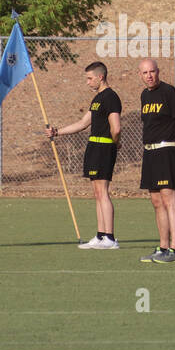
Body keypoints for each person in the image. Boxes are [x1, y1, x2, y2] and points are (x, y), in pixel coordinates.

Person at [45, 62, 123, 249]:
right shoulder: (97, 99)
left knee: (102, 192)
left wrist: (115, 142)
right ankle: (100, 235)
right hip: (93, 147)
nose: (88, 82)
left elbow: (116, 127)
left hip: (104, 148)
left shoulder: (111, 97)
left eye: (90, 78)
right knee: (97, 193)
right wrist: (57, 131)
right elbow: (82, 123)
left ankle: (110, 238)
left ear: (100, 77)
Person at [136, 59, 175, 263]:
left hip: (166, 150)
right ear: (140, 75)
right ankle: (163, 247)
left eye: (152, 71)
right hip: (150, 153)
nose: (149, 75)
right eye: (145, 73)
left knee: (169, 199)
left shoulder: (168, 92)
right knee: (156, 201)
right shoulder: (145, 95)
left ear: (158, 72)